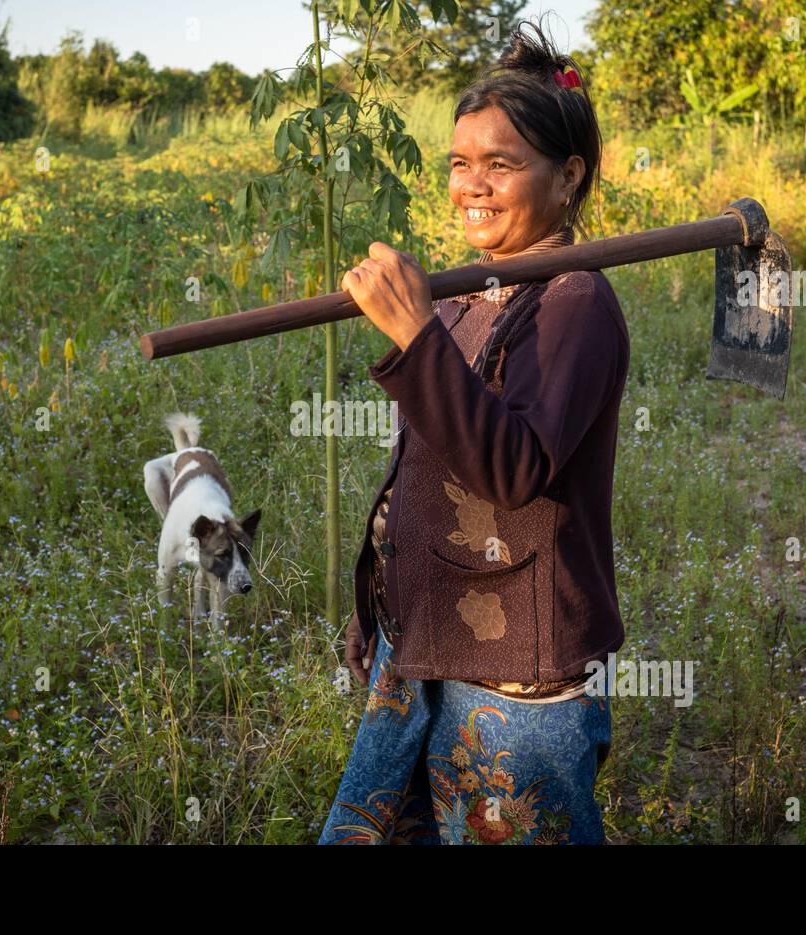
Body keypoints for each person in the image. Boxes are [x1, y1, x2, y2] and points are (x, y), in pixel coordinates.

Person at [317, 19, 630, 845]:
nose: (473, 185)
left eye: (502, 164)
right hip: (425, 640)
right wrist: (384, 603)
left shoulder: (574, 303)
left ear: (568, 178)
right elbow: (424, 461)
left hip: (517, 676)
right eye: (461, 164)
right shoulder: (461, 298)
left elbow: (513, 466)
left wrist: (416, 337)